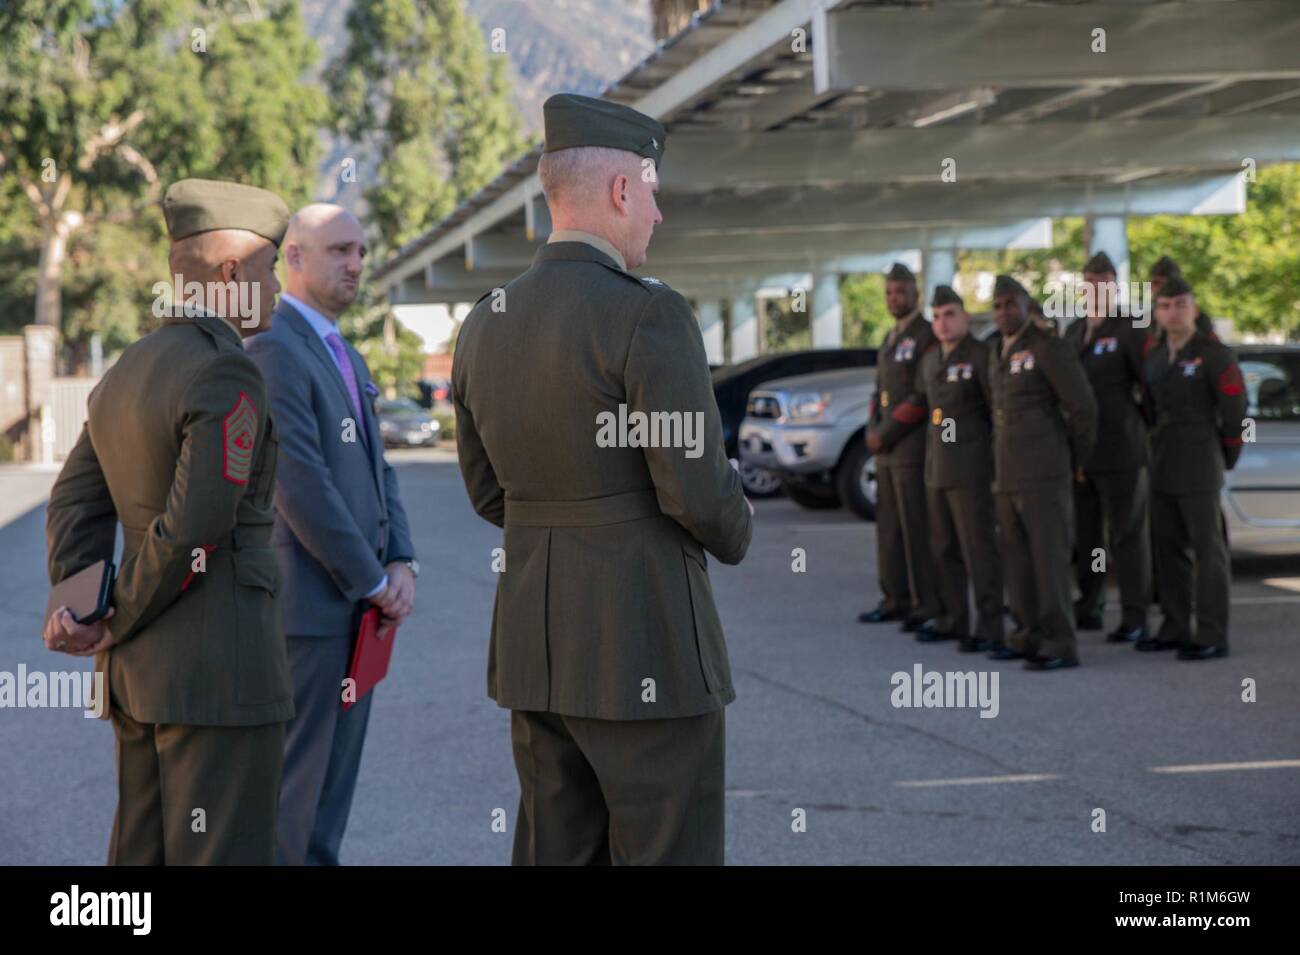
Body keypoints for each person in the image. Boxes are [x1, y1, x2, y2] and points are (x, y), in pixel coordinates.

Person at [451, 93, 752, 865]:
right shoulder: (648, 316)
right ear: (621, 190)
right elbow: (698, 491)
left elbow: (490, 493)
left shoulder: (486, 319)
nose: (657, 212)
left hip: (537, 647)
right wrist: (738, 524)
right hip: (643, 639)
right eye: (651, 191)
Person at [43, 178, 293, 864]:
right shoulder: (225, 373)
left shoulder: (126, 369)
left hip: (139, 680)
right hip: (221, 678)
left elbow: (73, 502)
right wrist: (113, 614)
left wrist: (81, 604)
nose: (279, 285)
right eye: (273, 268)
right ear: (234, 273)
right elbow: (193, 531)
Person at [246, 204, 417, 866]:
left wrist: (402, 558)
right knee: (297, 800)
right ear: (294, 257)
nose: (355, 264)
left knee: (330, 802)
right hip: (310, 615)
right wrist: (372, 580)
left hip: (358, 614)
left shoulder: (345, 350)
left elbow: (379, 469)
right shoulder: (272, 347)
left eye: (362, 253)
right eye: (340, 250)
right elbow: (300, 484)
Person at [988, 274, 1098, 670]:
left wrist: (1073, 460)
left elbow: (1083, 408)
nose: (1004, 312)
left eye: (1011, 304)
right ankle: (1027, 634)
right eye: (998, 305)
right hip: (1007, 474)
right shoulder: (996, 351)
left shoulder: (1048, 348)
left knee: (1049, 561)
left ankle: (1059, 642)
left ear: (1026, 304)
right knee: (1017, 563)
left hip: (1044, 473)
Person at [1139, 275, 1246, 660]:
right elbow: (1149, 409)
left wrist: (1227, 456)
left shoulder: (1215, 354)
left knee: (1208, 551)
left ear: (1194, 309)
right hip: (1163, 460)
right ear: (1158, 311)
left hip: (1200, 460)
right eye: (1165, 306)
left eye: (1180, 305)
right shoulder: (1153, 355)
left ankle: (1212, 634)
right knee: (1168, 550)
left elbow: (1235, 414)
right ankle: (1175, 626)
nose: (1172, 312)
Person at [1064, 251, 1152, 642]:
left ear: (1114, 288)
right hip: (1084, 453)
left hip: (1122, 450)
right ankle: (1091, 604)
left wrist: (1139, 429)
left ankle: (1134, 617)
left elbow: (1150, 387)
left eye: (1103, 283)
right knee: (1089, 538)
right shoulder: (1074, 331)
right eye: (1090, 284)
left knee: (1127, 537)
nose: (1096, 291)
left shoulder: (1130, 328)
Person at [916, 285, 1004, 653]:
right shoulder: (931, 359)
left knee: (979, 550)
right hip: (938, 466)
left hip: (971, 468)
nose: (943, 322)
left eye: (950, 314)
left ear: (965, 317)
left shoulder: (981, 355)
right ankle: (954, 619)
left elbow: (996, 412)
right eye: (936, 316)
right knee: (944, 548)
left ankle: (990, 626)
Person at [859, 262, 940, 633]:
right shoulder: (890, 338)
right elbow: (879, 392)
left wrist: (886, 432)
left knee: (916, 528)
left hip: (910, 448)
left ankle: (926, 604)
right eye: (890, 292)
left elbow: (923, 395)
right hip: (886, 451)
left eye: (901, 292)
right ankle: (894, 599)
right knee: (888, 529)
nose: (895, 298)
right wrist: (872, 429)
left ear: (915, 295)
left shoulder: (926, 335)